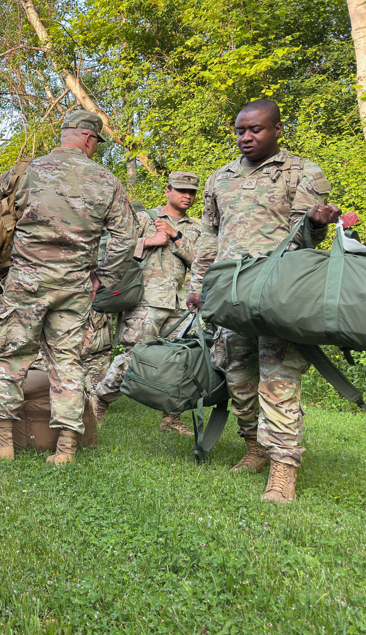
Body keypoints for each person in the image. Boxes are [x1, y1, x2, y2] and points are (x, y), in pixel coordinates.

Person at [0, 110, 137, 463]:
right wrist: (102, 277)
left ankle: (1, 441)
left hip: (27, 281)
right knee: (67, 363)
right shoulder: (107, 181)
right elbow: (126, 236)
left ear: (65, 135)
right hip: (74, 286)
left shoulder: (27, 170)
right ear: (89, 139)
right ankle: (66, 449)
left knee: (10, 358)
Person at [187, 98, 338, 503]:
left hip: (277, 292)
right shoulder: (219, 178)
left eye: (256, 130)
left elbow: (304, 240)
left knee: (279, 376)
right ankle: (254, 446)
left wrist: (317, 225)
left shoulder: (304, 172)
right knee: (236, 374)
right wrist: (197, 285)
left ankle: (283, 467)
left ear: (277, 130)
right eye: (240, 130)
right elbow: (209, 237)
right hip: (229, 293)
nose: (247, 137)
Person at [90, 172, 203, 433]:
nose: (188, 196)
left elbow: (202, 261)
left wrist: (176, 236)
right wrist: (149, 241)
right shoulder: (143, 218)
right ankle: (99, 400)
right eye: (182, 190)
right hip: (146, 302)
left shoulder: (197, 227)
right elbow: (110, 249)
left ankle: (171, 418)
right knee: (134, 357)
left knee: (183, 359)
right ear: (167, 191)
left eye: (192, 192)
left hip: (181, 305)